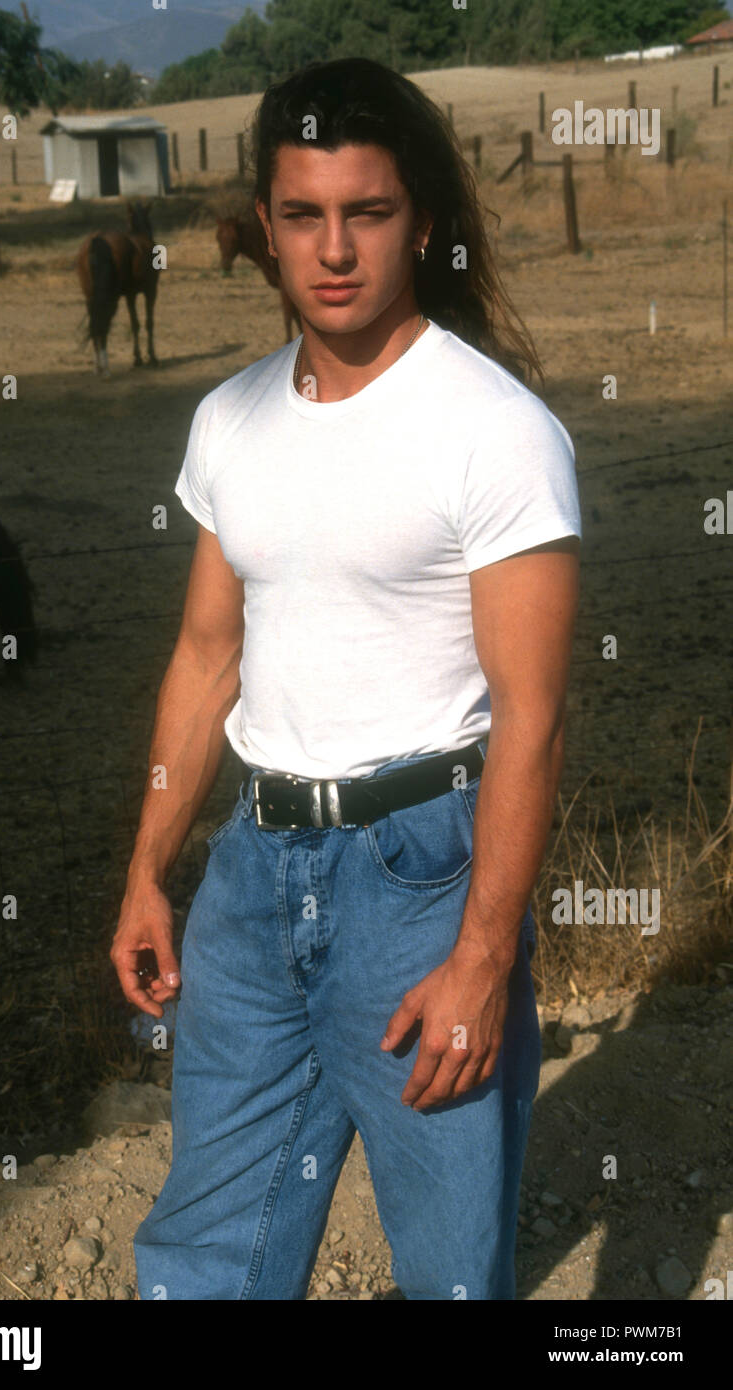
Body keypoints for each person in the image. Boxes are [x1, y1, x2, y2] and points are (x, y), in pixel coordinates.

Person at [112, 56, 582, 1300]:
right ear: (262, 227)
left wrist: (483, 956)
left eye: (366, 214)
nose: (334, 250)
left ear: (419, 220)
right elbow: (207, 660)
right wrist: (150, 870)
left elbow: (530, 717)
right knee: (206, 1250)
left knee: (448, 1271)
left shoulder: (497, 431)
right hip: (252, 878)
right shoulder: (230, 422)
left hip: (421, 878)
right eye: (303, 215)